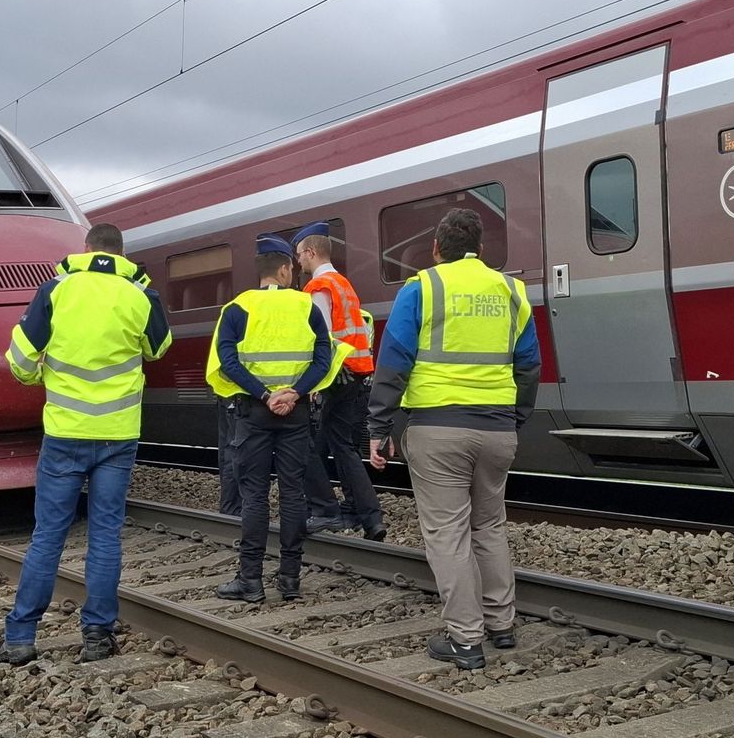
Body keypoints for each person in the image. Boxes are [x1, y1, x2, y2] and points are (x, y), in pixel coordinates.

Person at [0, 223, 172, 665]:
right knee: (106, 535)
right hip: (117, 435)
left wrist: (41, 376)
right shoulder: (140, 295)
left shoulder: (56, 290)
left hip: (65, 433)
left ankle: (19, 638)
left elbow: (19, 360)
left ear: (86, 250)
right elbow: (160, 348)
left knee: (48, 536)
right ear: (121, 252)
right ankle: (97, 635)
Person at [368, 208, 540, 669]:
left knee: (448, 533)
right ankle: (501, 625)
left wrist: (379, 428)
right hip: (497, 429)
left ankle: (466, 639)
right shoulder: (511, 291)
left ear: (436, 250)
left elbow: (394, 361)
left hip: (438, 428)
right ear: (481, 251)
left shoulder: (422, 288)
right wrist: (514, 418)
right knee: (489, 525)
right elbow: (529, 365)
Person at [209, 235, 346, 604]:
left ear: (260, 271)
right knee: (292, 494)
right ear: (286, 269)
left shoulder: (237, 308)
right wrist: (295, 393)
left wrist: (264, 394)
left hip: (254, 414)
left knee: (253, 495)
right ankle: (290, 580)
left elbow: (228, 362)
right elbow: (324, 359)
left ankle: (250, 580)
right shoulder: (306, 307)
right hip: (296, 415)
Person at [293, 222, 386, 540]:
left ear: (310, 252)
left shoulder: (319, 288)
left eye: (299, 257)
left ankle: (363, 515)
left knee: (335, 447)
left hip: (337, 377)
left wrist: (315, 385)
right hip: (359, 374)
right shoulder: (344, 284)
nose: (298, 264)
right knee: (335, 444)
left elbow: (323, 340)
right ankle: (355, 513)